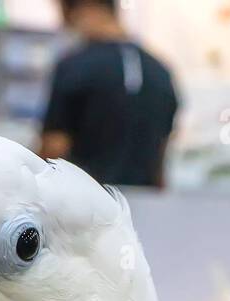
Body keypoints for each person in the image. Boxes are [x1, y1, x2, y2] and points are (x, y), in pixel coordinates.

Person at [41, 0, 178, 189]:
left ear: (81, 7)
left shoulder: (75, 66)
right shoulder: (160, 71)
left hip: (87, 199)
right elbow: (160, 160)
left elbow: (54, 149)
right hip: (144, 201)